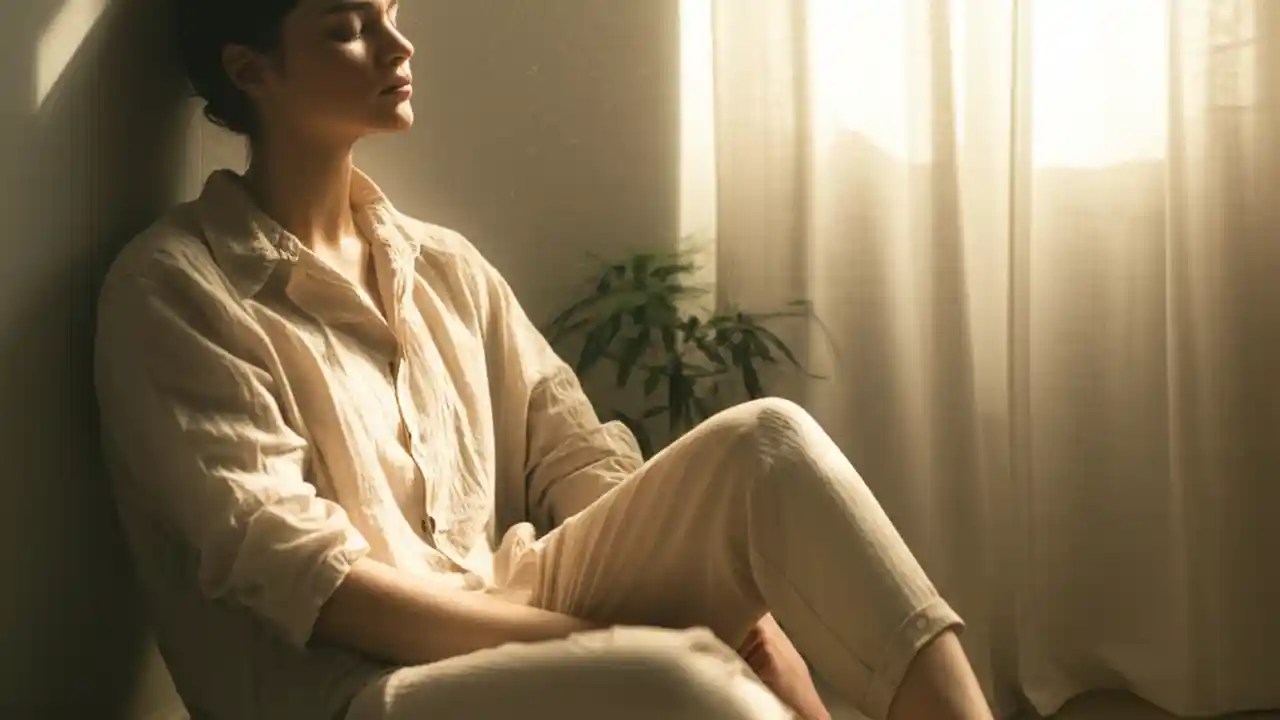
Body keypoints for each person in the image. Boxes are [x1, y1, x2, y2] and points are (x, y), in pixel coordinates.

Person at [93, 1, 994, 718]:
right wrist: (596, 641)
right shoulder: (175, 291)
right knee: (679, 688)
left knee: (768, 442)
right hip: (346, 692)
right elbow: (321, 590)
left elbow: (580, 459)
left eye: (390, 12)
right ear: (252, 71)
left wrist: (728, 596)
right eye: (347, 27)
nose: (397, 45)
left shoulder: (441, 265)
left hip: (495, 590)